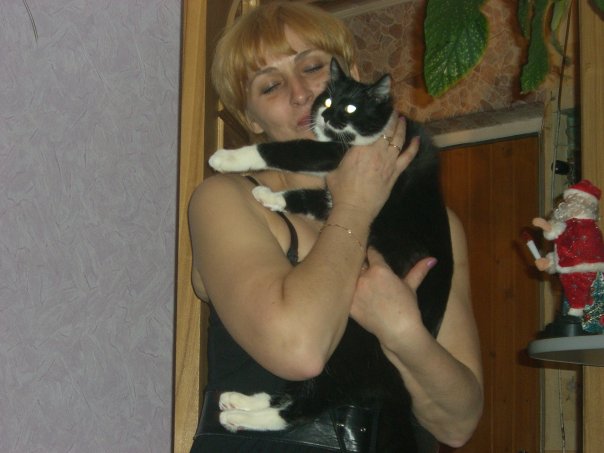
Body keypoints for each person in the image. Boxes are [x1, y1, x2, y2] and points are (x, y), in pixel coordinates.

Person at [188, 2, 483, 451]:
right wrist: (355, 205)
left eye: (312, 67)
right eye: (270, 86)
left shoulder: (439, 224)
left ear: (354, 77)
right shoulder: (227, 200)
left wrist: (403, 332)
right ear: (250, 119)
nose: (300, 93)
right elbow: (298, 350)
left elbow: (457, 424)